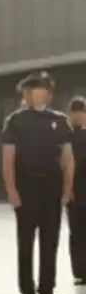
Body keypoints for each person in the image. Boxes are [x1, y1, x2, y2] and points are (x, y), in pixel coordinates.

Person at [1, 71, 72, 294]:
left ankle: (47, 287)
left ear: (48, 94)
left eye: (39, 90)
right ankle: (27, 288)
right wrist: (11, 189)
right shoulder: (16, 120)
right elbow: (8, 157)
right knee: (26, 238)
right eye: (30, 92)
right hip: (26, 184)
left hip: (52, 184)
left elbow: (67, 157)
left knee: (50, 238)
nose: (34, 95)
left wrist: (67, 187)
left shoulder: (59, 120)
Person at [68, 97, 86, 284]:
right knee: (77, 231)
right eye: (75, 113)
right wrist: (68, 188)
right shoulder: (67, 136)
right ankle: (80, 271)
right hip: (75, 189)